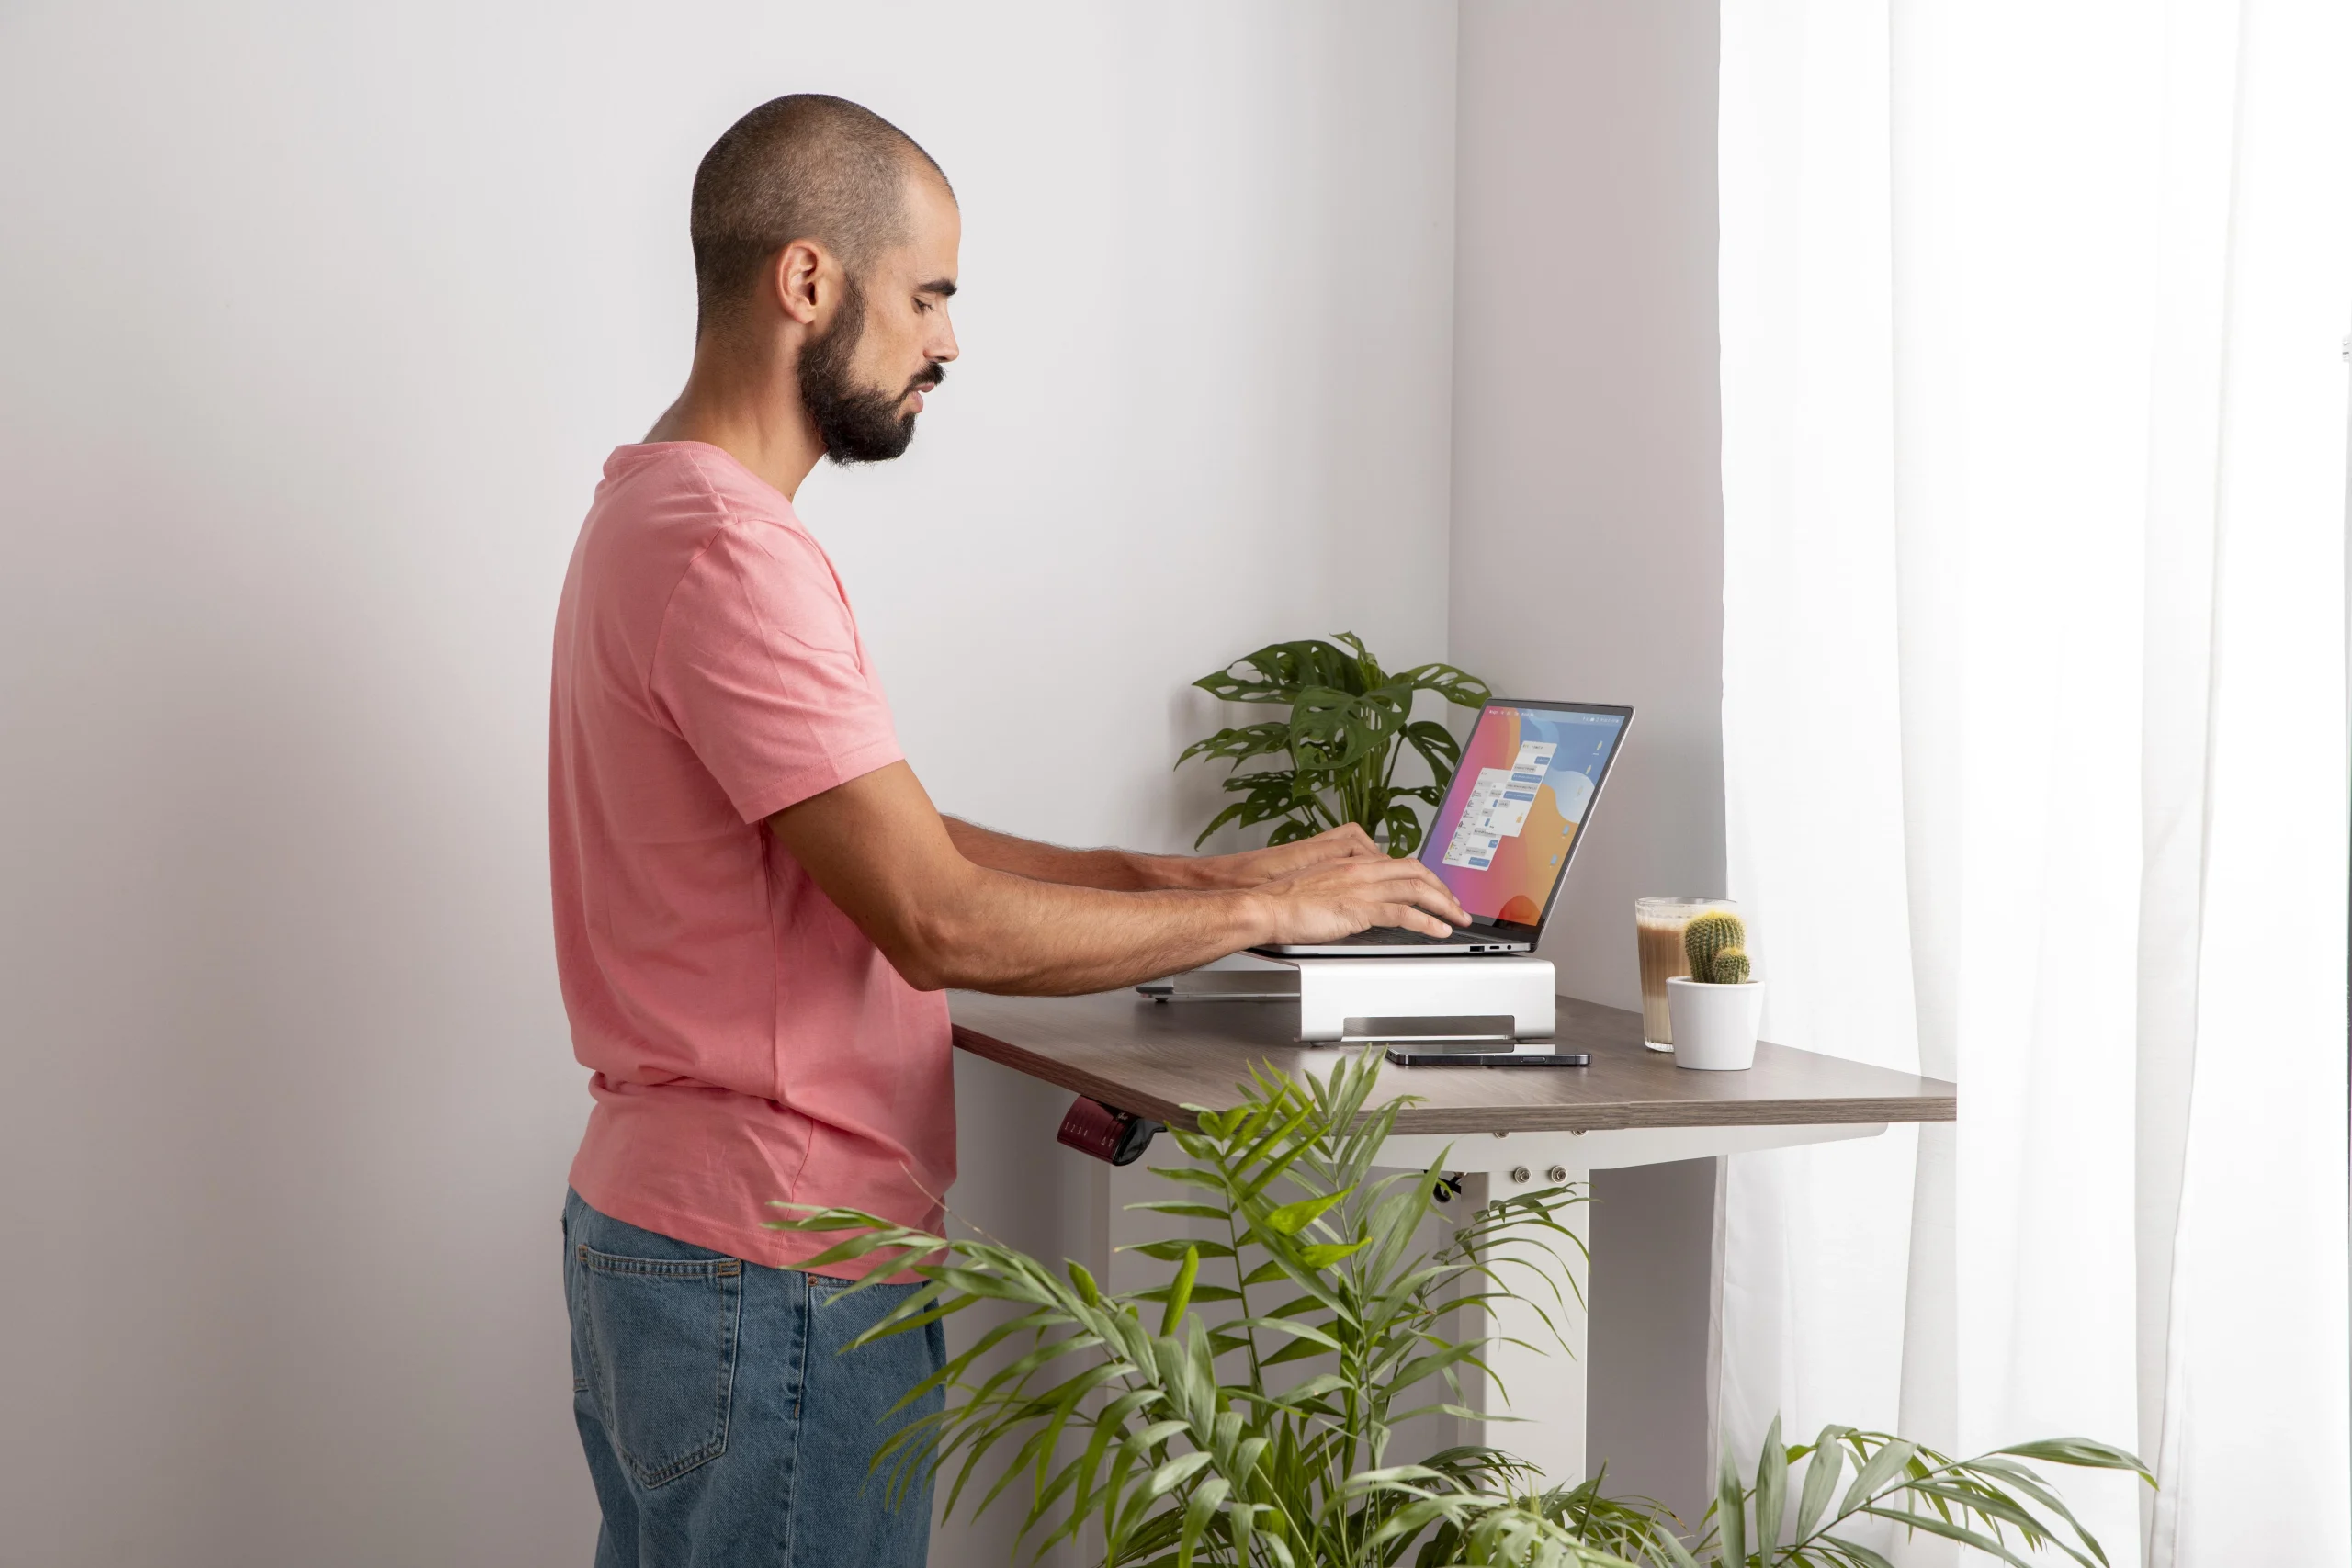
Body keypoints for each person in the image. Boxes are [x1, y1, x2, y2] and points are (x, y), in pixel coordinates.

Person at [548, 94, 1468, 1568]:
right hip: (773, 1262)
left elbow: (894, 836)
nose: (948, 343)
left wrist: (1196, 874)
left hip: (679, 1242)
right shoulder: (731, 550)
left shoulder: (652, 513)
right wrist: (1266, 916)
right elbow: (937, 917)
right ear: (808, 281)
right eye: (928, 294)